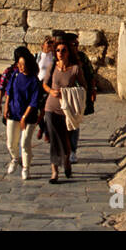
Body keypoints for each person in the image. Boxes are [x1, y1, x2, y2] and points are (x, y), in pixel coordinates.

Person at [41, 39, 87, 182]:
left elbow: (83, 87)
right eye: (58, 50)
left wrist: (68, 92)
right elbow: (45, 84)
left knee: (66, 139)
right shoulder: (52, 66)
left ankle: (66, 160)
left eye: (63, 50)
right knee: (54, 138)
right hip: (51, 107)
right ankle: (54, 171)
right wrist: (51, 91)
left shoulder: (75, 69)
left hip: (67, 110)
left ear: (68, 52)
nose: (60, 53)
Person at [0, 46, 42, 180]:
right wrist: (6, 106)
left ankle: (26, 167)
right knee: (11, 143)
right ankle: (14, 159)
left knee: (24, 143)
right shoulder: (15, 75)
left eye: (23, 65)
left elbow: (34, 102)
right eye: (19, 64)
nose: (21, 67)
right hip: (14, 113)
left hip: (28, 116)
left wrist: (24, 117)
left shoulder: (34, 81)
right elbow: (9, 91)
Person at [60, 35, 97, 163]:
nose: (76, 47)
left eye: (77, 44)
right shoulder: (61, 58)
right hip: (63, 96)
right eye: (73, 44)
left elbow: (90, 74)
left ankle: (73, 151)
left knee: (74, 122)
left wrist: (93, 89)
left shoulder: (82, 58)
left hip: (78, 96)